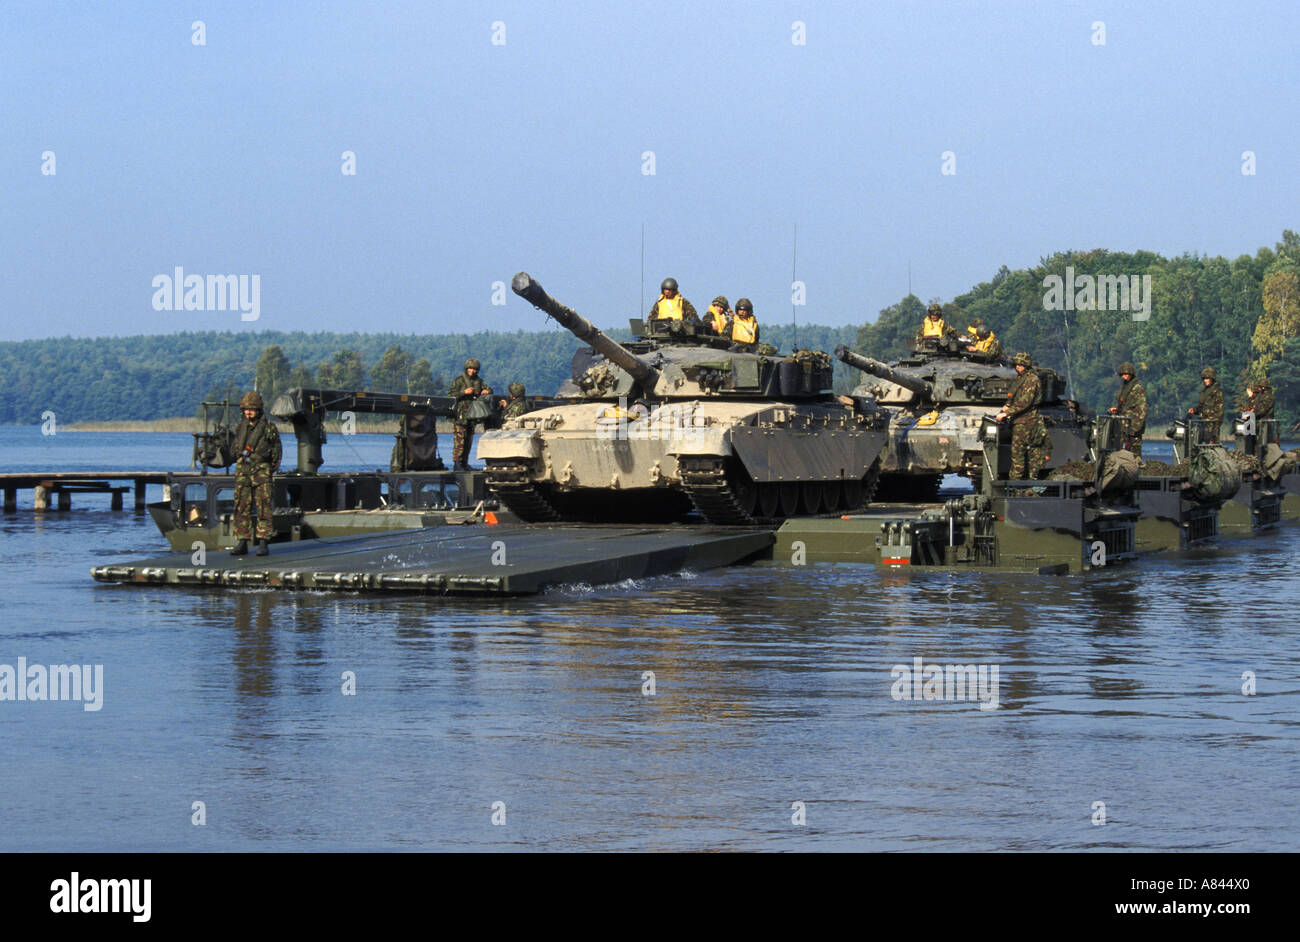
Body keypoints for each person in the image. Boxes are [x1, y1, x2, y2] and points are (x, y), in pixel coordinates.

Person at [230, 390, 282, 556]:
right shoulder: (240, 428)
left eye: (251, 409)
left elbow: (276, 451)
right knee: (241, 506)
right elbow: (234, 449)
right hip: (243, 471)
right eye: (246, 409)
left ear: (258, 410)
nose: (248, 412)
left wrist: (268, 468)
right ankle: (242, 541)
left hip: (261, 471)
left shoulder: (268, 428)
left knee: (263, 507)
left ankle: (263, 542)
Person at [995, 352, 1049, 486]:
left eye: (1020, 365)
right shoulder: (1019, 378)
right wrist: (1007, 405)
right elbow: (1014, 396)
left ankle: (1016, 486)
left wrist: (1007, 413)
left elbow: (1025, 402)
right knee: (1017, 455)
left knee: (1019, 455)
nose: (1017, 367)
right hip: (1019, 420)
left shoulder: (1032, 380)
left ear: (1025, 365)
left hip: (1026, 421)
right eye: (1016, 364)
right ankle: (1017, 485)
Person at [449, 358, 493, 470]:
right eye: (470, 368)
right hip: (460, 415)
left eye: (474, 369)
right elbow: (451, 394)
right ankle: (457, 463)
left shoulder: (479, 381)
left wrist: (487, 391)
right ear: (466, 368)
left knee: (469, 440)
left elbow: (489, 389)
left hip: (472, 415)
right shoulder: (459, 380)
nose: (472, 371)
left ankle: (465, 463)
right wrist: (464, 392)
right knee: (459, 440)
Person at [1107, 361, 1147, 457]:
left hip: (1133, 424)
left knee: (1135, 453)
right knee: (1121, 451)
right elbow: (1123, 405)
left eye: (1127, 374)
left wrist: (1136, 427)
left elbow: (1142, 408)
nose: (1125, 376)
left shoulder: (1137, 387)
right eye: (1123, 374)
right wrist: (1115, 409)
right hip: (1122, 424)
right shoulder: (1124, 387)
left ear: (1131, 374)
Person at [1188, 367, 1223, 443]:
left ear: (1212, 378)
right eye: (1204, 379)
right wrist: (1195, 410)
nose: (1205, 380)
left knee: (1211, 443)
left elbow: (1219, 409)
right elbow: (1202, 406)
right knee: (1198, 440)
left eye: (1207, 378)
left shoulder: (1217, 391)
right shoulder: (1205, 391)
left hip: (1213, 421)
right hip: (1203, 420)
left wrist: (1209, 415)